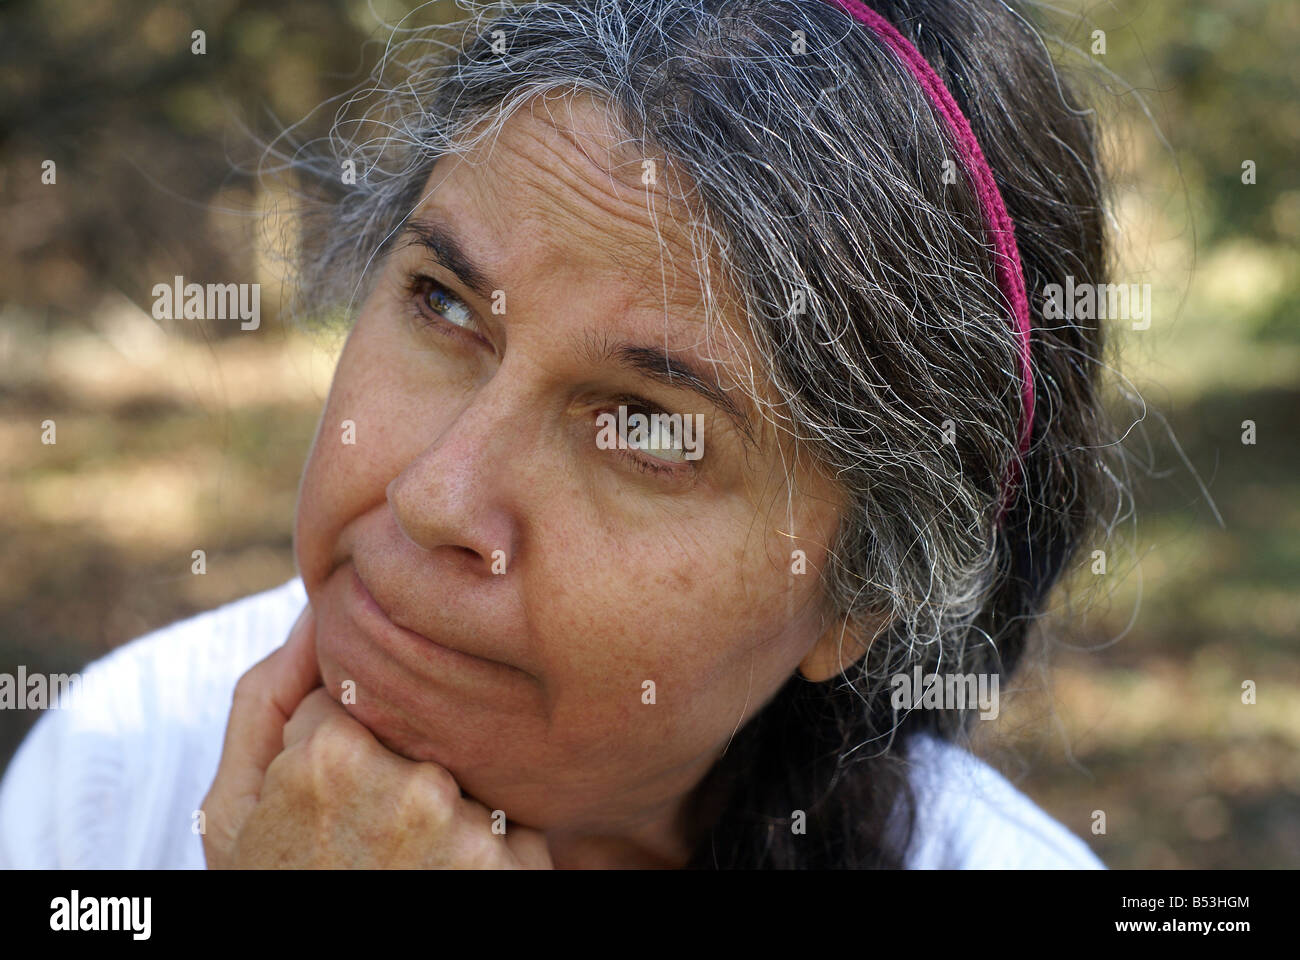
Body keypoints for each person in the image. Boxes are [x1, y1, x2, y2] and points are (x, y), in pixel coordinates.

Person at [0, 0, 1118, 869]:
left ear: (864, 595)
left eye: (646, 427)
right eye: (442, 304)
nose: (435, 498)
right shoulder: (123, 769)